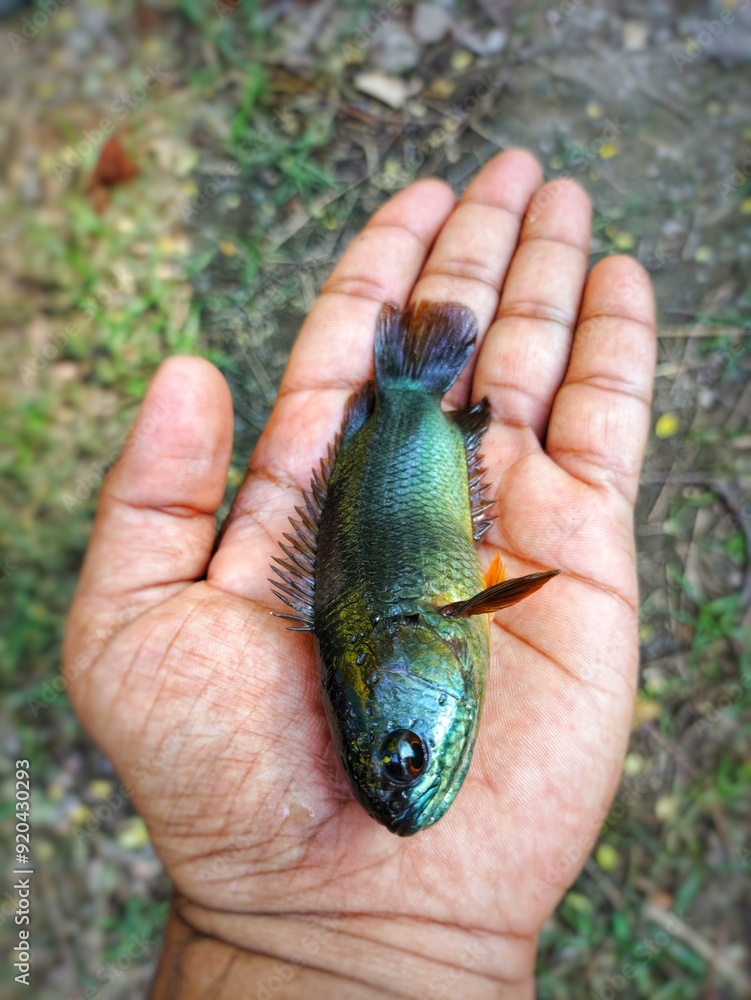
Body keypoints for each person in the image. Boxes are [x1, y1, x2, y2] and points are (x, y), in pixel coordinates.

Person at [64, 149, 656, 998]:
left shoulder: (432, 627)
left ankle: (412, 391)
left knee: (411, 405)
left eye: (401, 752)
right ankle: (418, 396)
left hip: (400, 436)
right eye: (400, 756)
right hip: (408, 510)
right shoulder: (424, 630)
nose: (407, 780)